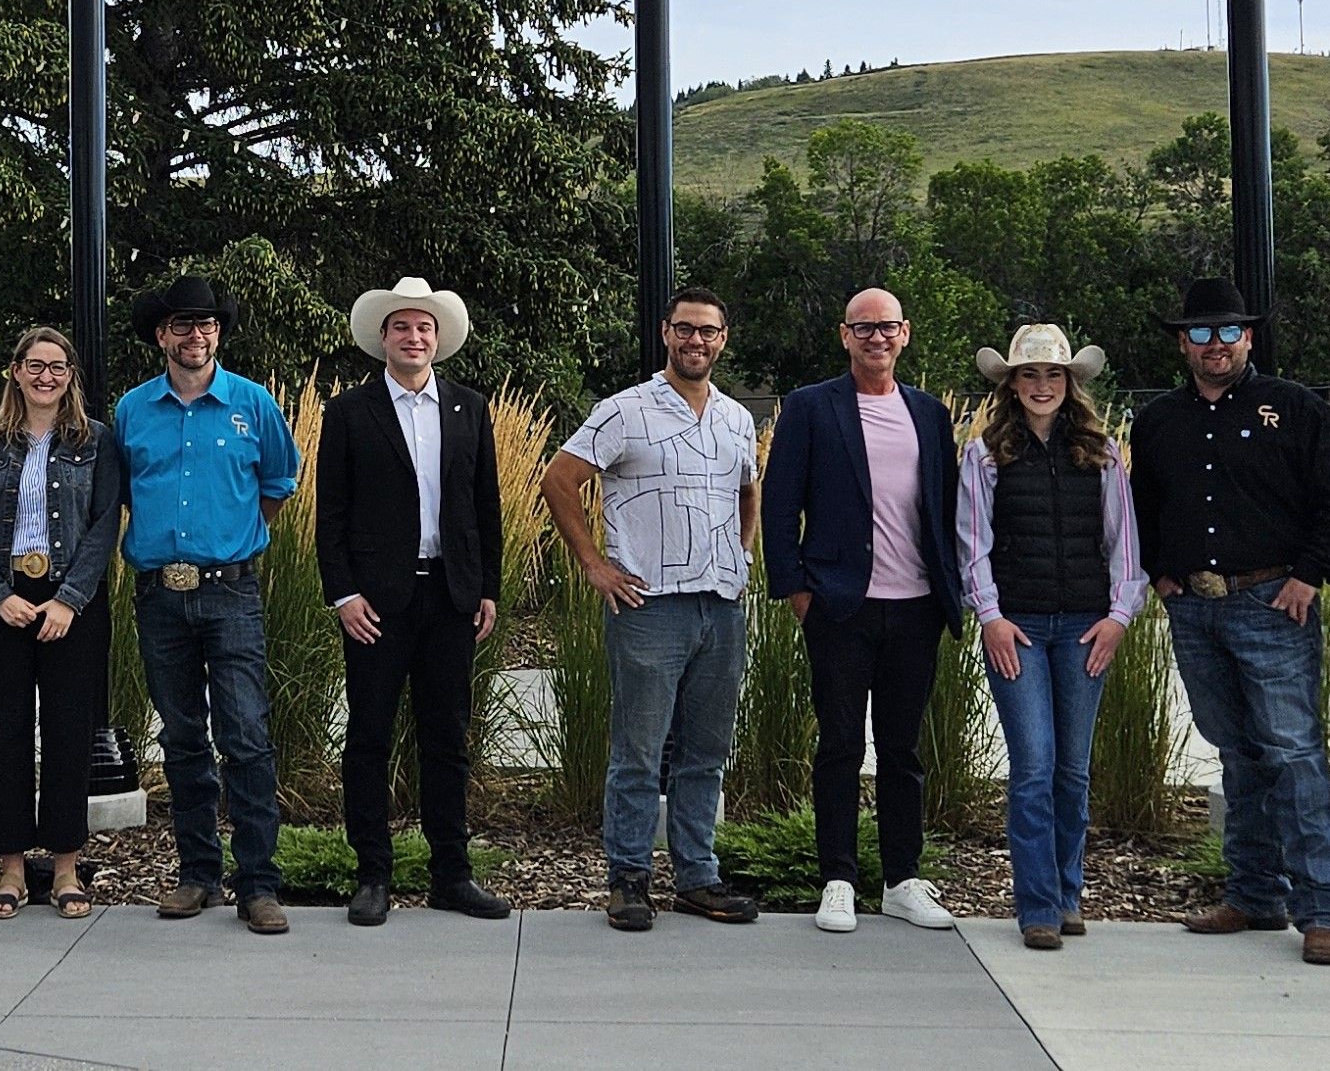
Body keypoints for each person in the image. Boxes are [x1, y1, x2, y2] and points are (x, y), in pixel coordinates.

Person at [1129, 278, 1330, 966]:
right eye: (1201, 334)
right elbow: (1141, 504)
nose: (1215, 345)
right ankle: (1255, 890)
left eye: (1228, 331)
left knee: (1293, 753)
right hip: (1194, 606)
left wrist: (1309, 573)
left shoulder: (1294, 408)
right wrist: (1160, 571)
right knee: (1237, 752)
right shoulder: (1159, 421)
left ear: (1249, 337)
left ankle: (1323, 910)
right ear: (1183, 342)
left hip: (1273, 601)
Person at [545, 286, 766, 932]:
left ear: (723, 339)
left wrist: (743, 556)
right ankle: (630, 876)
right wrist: (594, 563)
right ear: (666, 333)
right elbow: (560, 479)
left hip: (720, 606)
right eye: (685, 329)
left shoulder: (735, 418)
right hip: (648, 605)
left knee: (706, 748)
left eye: (709, 331)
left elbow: (749, 491)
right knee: (639, 750)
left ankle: (697, 874)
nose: (697, 341)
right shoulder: (624, 411)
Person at [762, 288, 969, 935]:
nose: (875, 337)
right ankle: (839, 878)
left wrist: (950, 595)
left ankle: (902, 879)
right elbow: (778, 504)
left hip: (916, 608)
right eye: (863, 327)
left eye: (886, 327)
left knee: (903, 749)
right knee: (841, 744)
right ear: (845, 335)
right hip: (841, 607)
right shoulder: (809, 407)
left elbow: (946, 510)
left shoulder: (930, 415)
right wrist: (798, 592)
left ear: (904, 333)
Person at [317, 279, 514, 926]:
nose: (414, 336)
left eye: (424, 327)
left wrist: (488, 586)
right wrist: (343, 592)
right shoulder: (349, 412)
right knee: (369, 738)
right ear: (384, 337)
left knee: (447, 739)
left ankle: (451, 874)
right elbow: (332, 515)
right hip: (376, 603)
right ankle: (372, 874)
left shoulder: (468, 408)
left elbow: (486, 505)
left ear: (438, 338)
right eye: (402, 326)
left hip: (451, 596)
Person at [114, 277, 305, 934]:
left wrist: (238, 538)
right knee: (183, 739)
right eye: (182, 326)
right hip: (159, 595)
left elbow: (278, 482)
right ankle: (198, 874)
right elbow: (118, 494)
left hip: (231, 591)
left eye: (207, 325)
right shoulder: (132, 410)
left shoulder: (252, 404)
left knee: (246, 737)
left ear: (218, 334)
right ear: (162, 335)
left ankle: (259, 883)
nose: (196, 336)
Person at [954, 324, 1144, 951]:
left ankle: (1068, 894)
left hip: (1087, 628)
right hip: (1020, 629)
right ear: (1011, 383)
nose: (1041, 386)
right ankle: (1035, 904)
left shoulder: (1103, 454)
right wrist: (991, 617)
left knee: (1073, 771)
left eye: (1053, 375)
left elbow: (1124, 545)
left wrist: (1119, 616)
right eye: (1030, 375)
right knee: (1033, 767)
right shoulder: (985, 454)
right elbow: (972, 545)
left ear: (1070, 382)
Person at [0, 326, 123, 920]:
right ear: (16, 371)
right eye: (34, 365)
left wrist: (69, 598)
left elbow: (105, 524)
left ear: (71, 375)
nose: (45, 376)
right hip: (1, 601)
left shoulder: (96, 442)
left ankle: (67, 866)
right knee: (2, 733)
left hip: (71, 601)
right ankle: (10, 868)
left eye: (58, 367)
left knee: (69, 734)